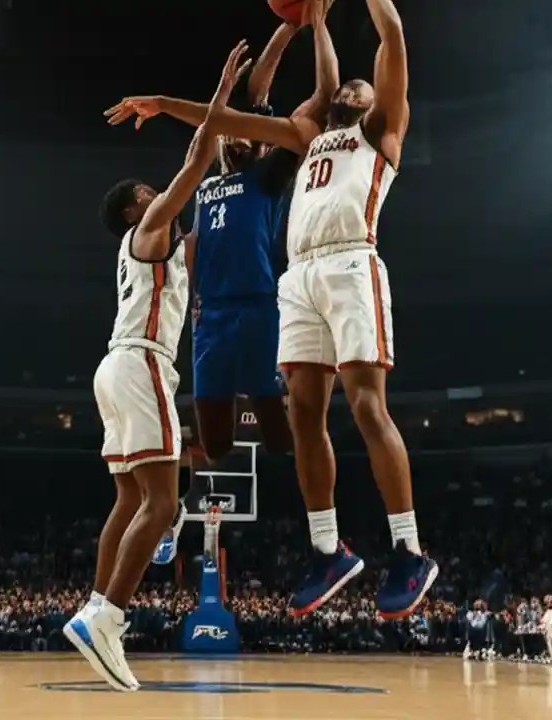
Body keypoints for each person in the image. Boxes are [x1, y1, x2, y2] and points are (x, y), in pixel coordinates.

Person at [106, 0, 435, 619]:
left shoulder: (381, 129)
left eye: (361, 87)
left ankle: (409, 548)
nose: (353, 89)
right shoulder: (308, 137)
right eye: (349, 86)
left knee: (365, 404)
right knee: (304, 413)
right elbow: (228, 117)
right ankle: (327, 548)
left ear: (373, 100)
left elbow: (389, 35)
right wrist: (164, 102)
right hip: (299, 278)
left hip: (349, 263)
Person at [62, 42, 252, 693]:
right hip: (141, 365)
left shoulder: (154, 243)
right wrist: (220, 97)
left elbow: (200, 233)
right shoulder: (145, 231)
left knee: (130, 498)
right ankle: (108, 615)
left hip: (117, 367)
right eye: (146, 193)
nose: (155, 192)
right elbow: (196, 162)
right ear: (131, 211)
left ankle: (95, 602)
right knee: (167, 498)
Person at [105, 16, 324, 567]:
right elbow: (195, 233)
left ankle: (311, 498)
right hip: (205, 323)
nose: (233, 134)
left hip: (254, 306)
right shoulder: (199, 190)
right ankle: (172, 514)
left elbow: (258, 92)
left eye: (243, 129)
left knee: (277, 436)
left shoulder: (267, 174)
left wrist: (290, 28)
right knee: (214, 440)